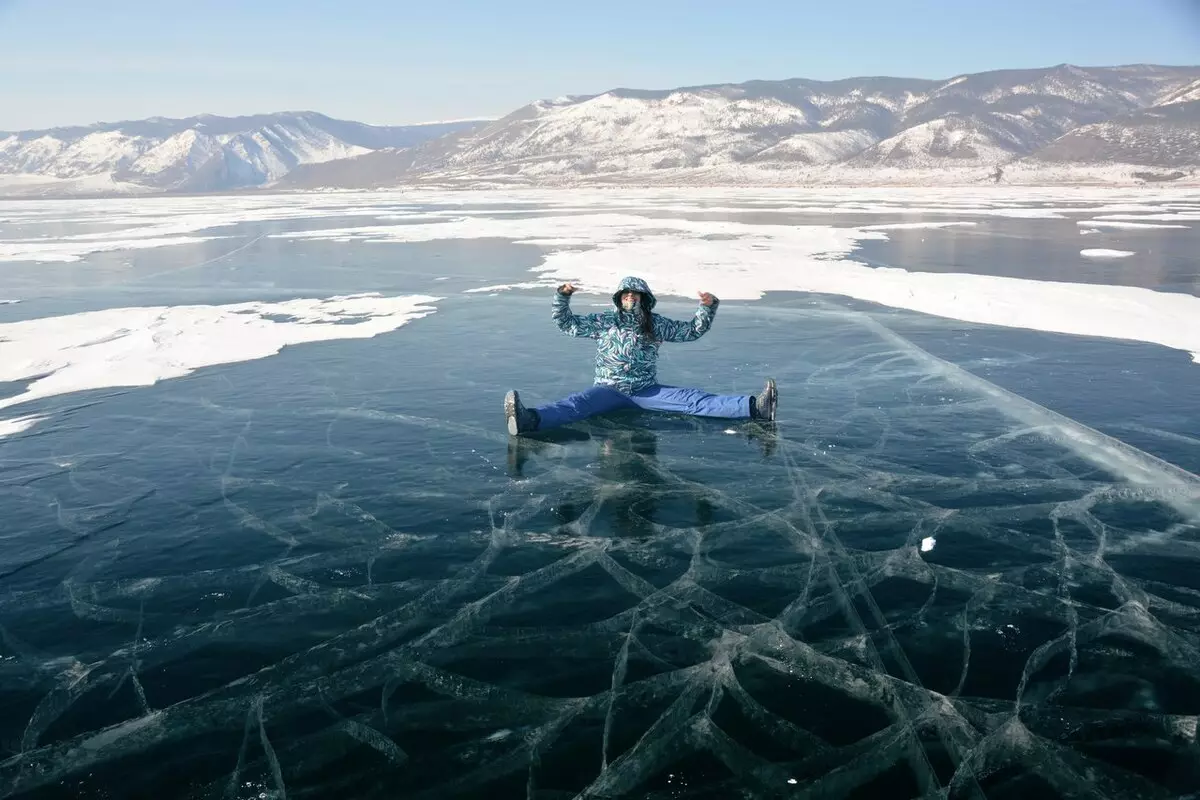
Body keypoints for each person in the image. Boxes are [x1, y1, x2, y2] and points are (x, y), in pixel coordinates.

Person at [504, 276, 777, 435]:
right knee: (576, 405)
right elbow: (567, 324)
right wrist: (562, 297)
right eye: (626, 295)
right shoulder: (606, 321)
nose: (630, 299)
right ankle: (530, 420)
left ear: (645, 299)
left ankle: (754, 408)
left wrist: (707, 307)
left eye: (635, 295)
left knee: (694, 400)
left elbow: (692, 331)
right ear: (619, 298)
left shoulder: (655, 324)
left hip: (646, 390)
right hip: (608, 389)